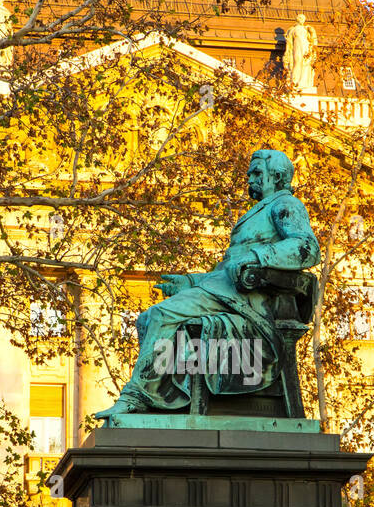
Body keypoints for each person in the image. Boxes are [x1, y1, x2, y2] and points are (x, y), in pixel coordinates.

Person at [97, 149, 319, 418]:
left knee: (160, 315)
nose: (249, 177)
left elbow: (307, 247)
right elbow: (226, 270)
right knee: (146, 319)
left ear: (277, 176)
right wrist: (189, 282)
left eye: (258, 172)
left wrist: (257, 257)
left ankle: (135, 397)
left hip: (251, 300)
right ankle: (164, 400)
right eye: (251, 172)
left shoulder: (286, 205)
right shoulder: (259, 211)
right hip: (228, 290)